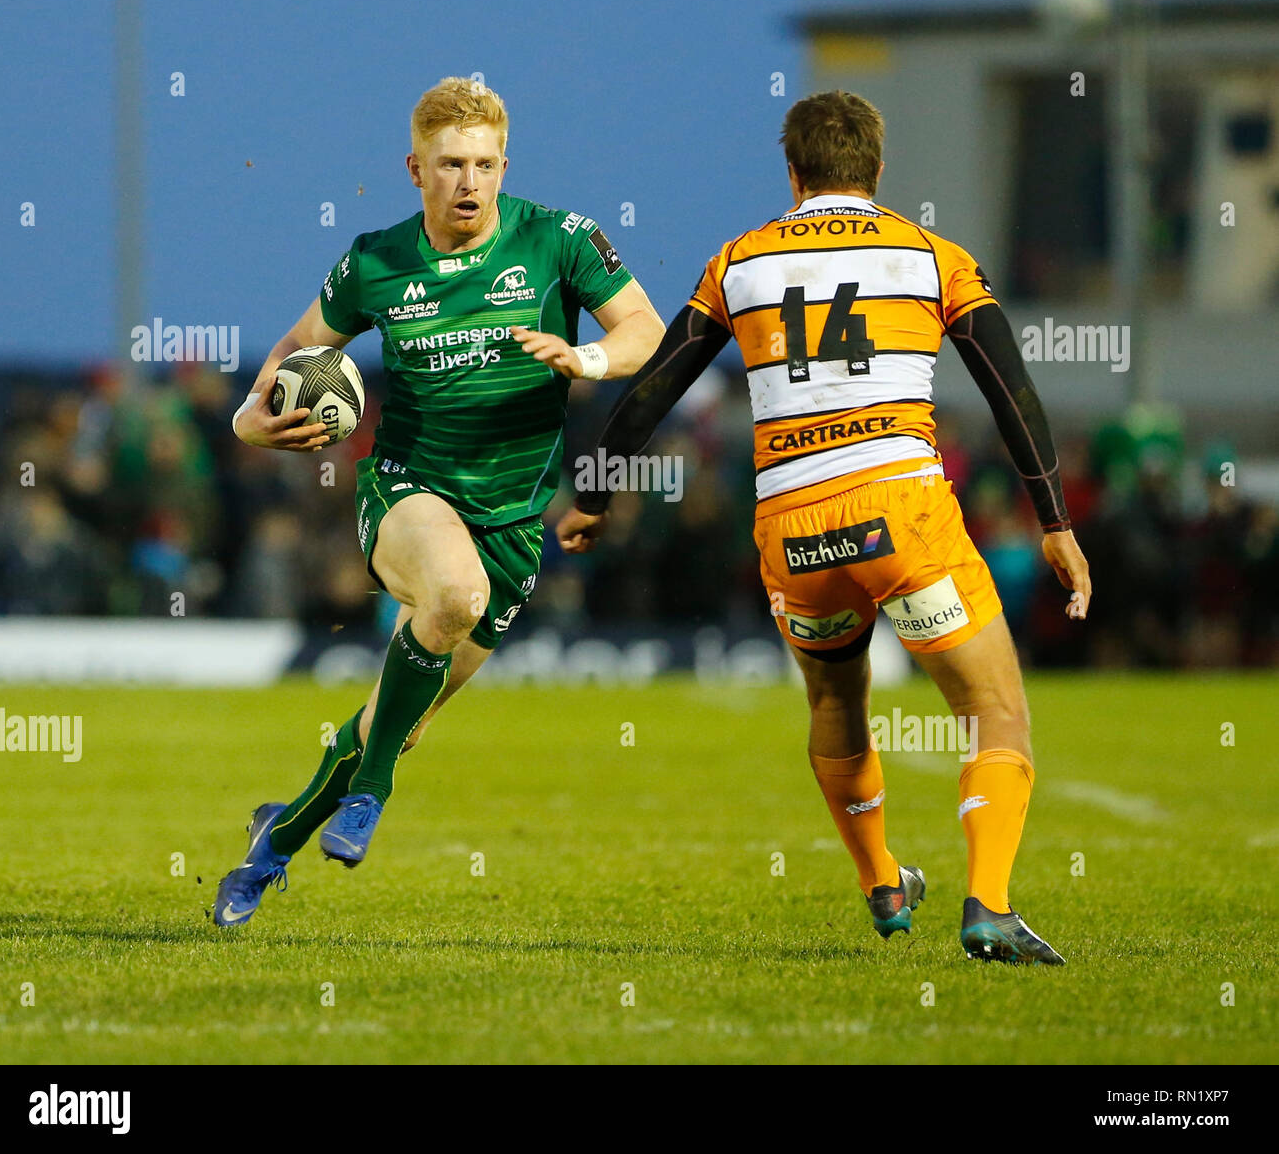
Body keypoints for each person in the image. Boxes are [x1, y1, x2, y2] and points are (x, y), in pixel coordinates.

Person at [557, 91, 1090, 965]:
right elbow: (1010, 388)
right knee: (994, 712)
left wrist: (597, 489)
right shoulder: (932, 257)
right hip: (901, 512)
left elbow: (656, 382)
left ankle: (882, 880)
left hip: (794, 532)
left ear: (793, 174)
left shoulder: (740, 262)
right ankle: (988, 907)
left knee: (837, 703)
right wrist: (1056, 520)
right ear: (879, 171)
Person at [213, 78, 664, 927]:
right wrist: (250, 420)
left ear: (504, 166)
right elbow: (298, 350)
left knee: (400, 717)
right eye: (451, 164)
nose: (469, 182)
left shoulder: (558, 239)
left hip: (512, 524)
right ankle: (372, 791)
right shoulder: (375, 261)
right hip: (408, 491)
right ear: (414, 167)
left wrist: (589, 359)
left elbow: (644, 325)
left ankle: (276, 838)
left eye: (485, 165)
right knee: (454, 595)